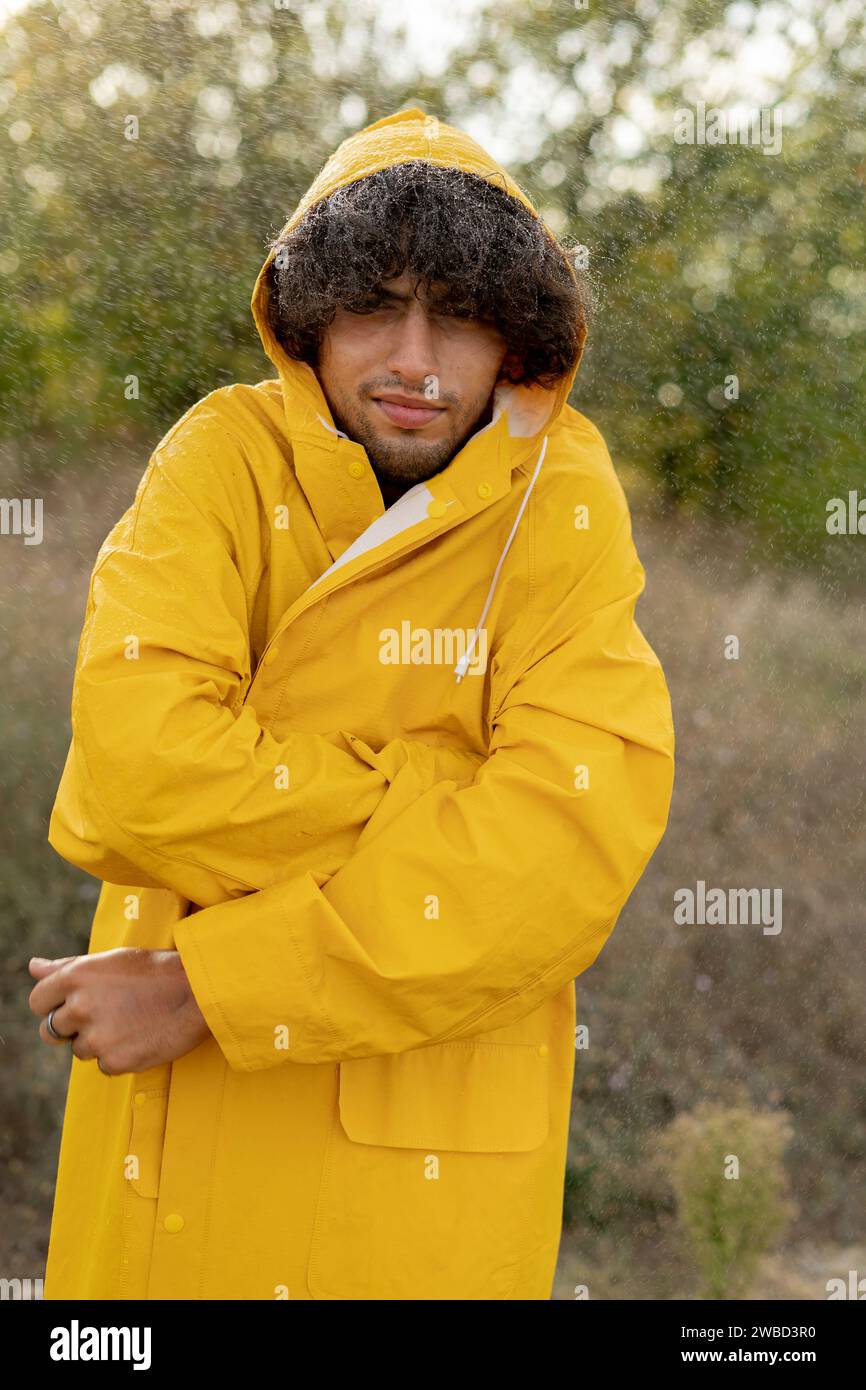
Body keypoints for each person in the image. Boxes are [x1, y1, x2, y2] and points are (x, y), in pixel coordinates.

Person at [29, 107, 674, 1301]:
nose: (414, 363)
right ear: (309, 318)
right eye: (374, 308)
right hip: (172, 1148)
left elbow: (566, 850)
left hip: (421, 1167)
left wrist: (208, 987)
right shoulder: (217, 459)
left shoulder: (563, 504)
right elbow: (137, 768)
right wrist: (449, 801)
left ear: (518, 339)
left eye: (461, 315)